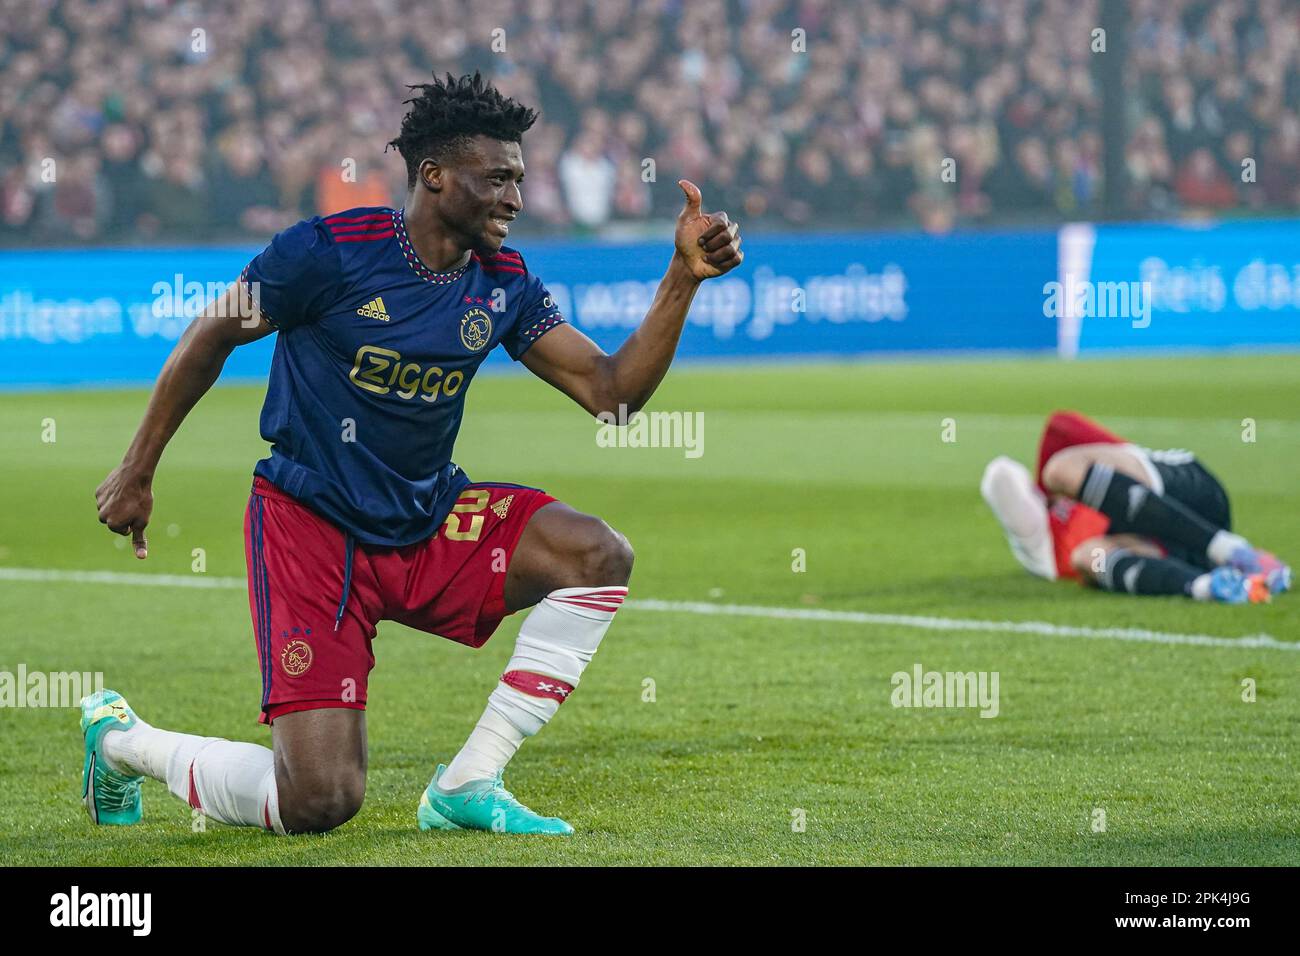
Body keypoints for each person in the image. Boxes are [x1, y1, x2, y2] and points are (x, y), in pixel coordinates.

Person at [85, 71, 744, 836]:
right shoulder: (325, 253)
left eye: (520, 180)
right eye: (497, 178)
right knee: (320, 801)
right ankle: (122, 743)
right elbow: (211, 337)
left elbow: (612, 393)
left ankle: (469, 780)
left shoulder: (504, 283)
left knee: (597, 555)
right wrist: (137, 468)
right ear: (434, 176)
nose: (516, 199)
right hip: (314, 527)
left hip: (428, 516)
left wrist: (680, 280)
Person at [981, 410, 1290, 603]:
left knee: (1060, 470)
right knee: (1088, 557)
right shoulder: (1051, 549)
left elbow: (1060, 424)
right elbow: (1002, 475)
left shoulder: (1075, 481)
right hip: (1171, 553)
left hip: (1187, 493)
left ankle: (1233, 551)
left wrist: (1051, 490)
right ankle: (1209, 587)